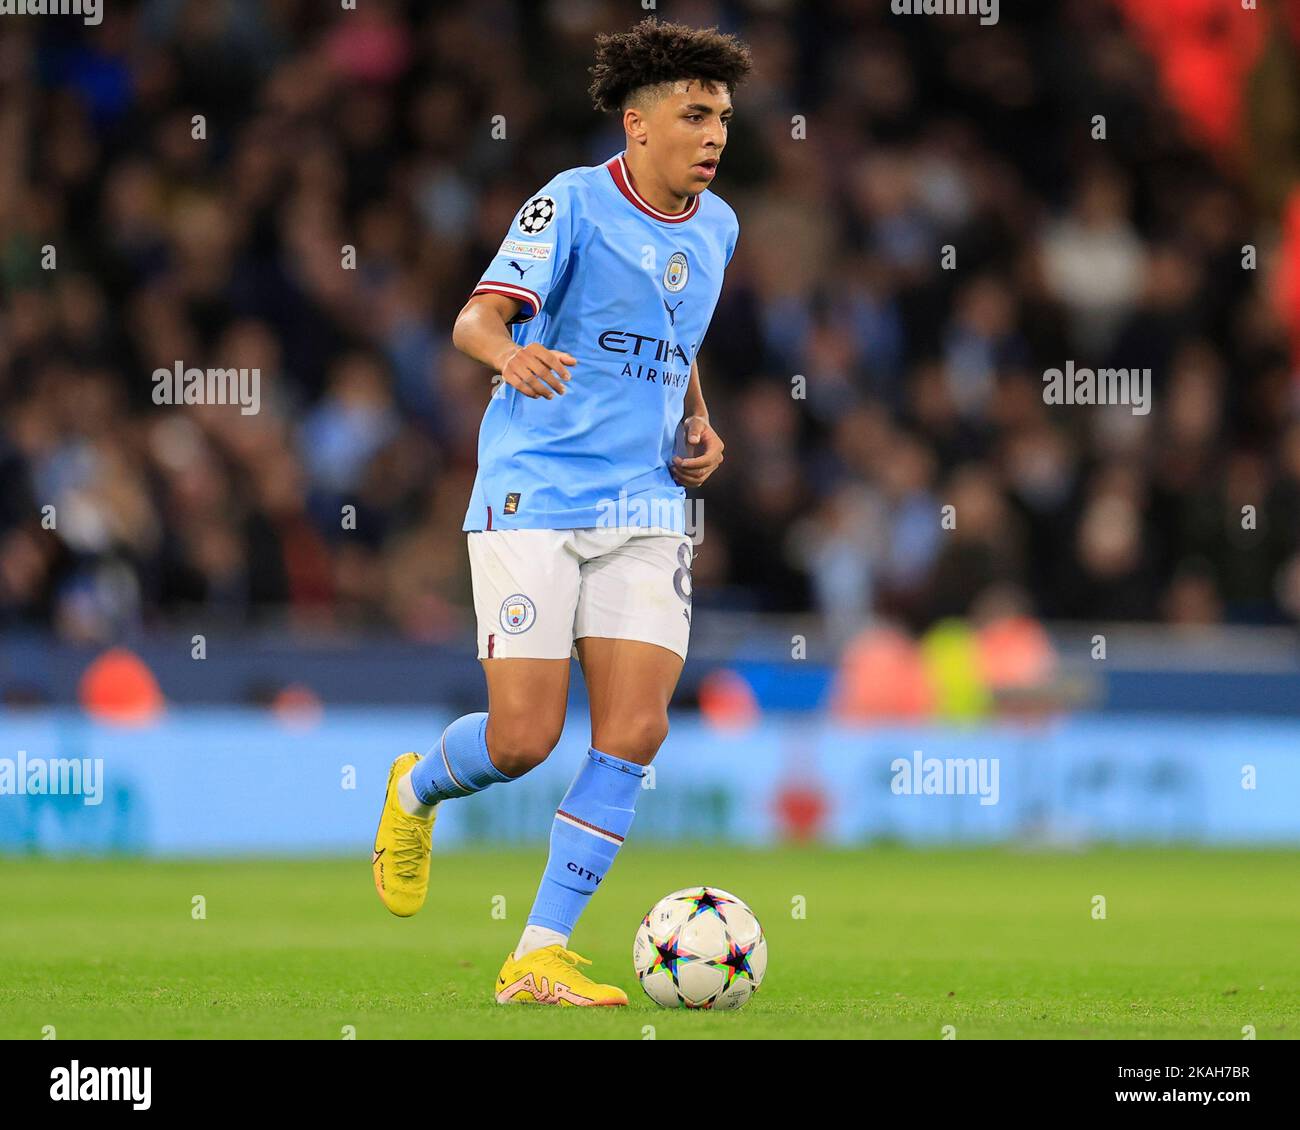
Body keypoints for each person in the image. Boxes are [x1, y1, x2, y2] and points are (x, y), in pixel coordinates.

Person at [371, 16, 751, 1005]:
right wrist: (511, 357)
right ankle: (415, 787)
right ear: (637, 123)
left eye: (722, 119)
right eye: (694, 115)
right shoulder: (572, 202)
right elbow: (474, 317)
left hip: (647, 501)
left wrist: (697, 423)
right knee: (522, 739)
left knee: (635, 726)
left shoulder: (718, 227)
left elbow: (679, 337)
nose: (713, 136)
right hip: (534, 490)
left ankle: (535, 950)